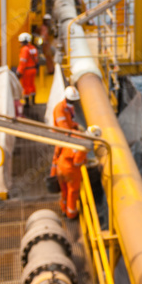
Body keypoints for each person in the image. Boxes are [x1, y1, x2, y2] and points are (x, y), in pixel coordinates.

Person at [53, 86, 87, 219]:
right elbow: (64, 129)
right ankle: (71, 214)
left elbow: (68, 125)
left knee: (64, 189)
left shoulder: (66, 108)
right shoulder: (60, 110)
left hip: (62, 163)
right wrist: (84, 161)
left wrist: (74, 125)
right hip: (70, 168)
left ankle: (63, 208)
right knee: (72, 191)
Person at [16, 32, 39, 111]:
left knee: (26, 86)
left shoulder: (24, 50)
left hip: (27, 70)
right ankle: (33, 101)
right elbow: (36, 59)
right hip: (33, 69)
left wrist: (19, 72)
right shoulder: (33, 48)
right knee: (32, 85)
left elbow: (23, 62)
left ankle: (27, 103)